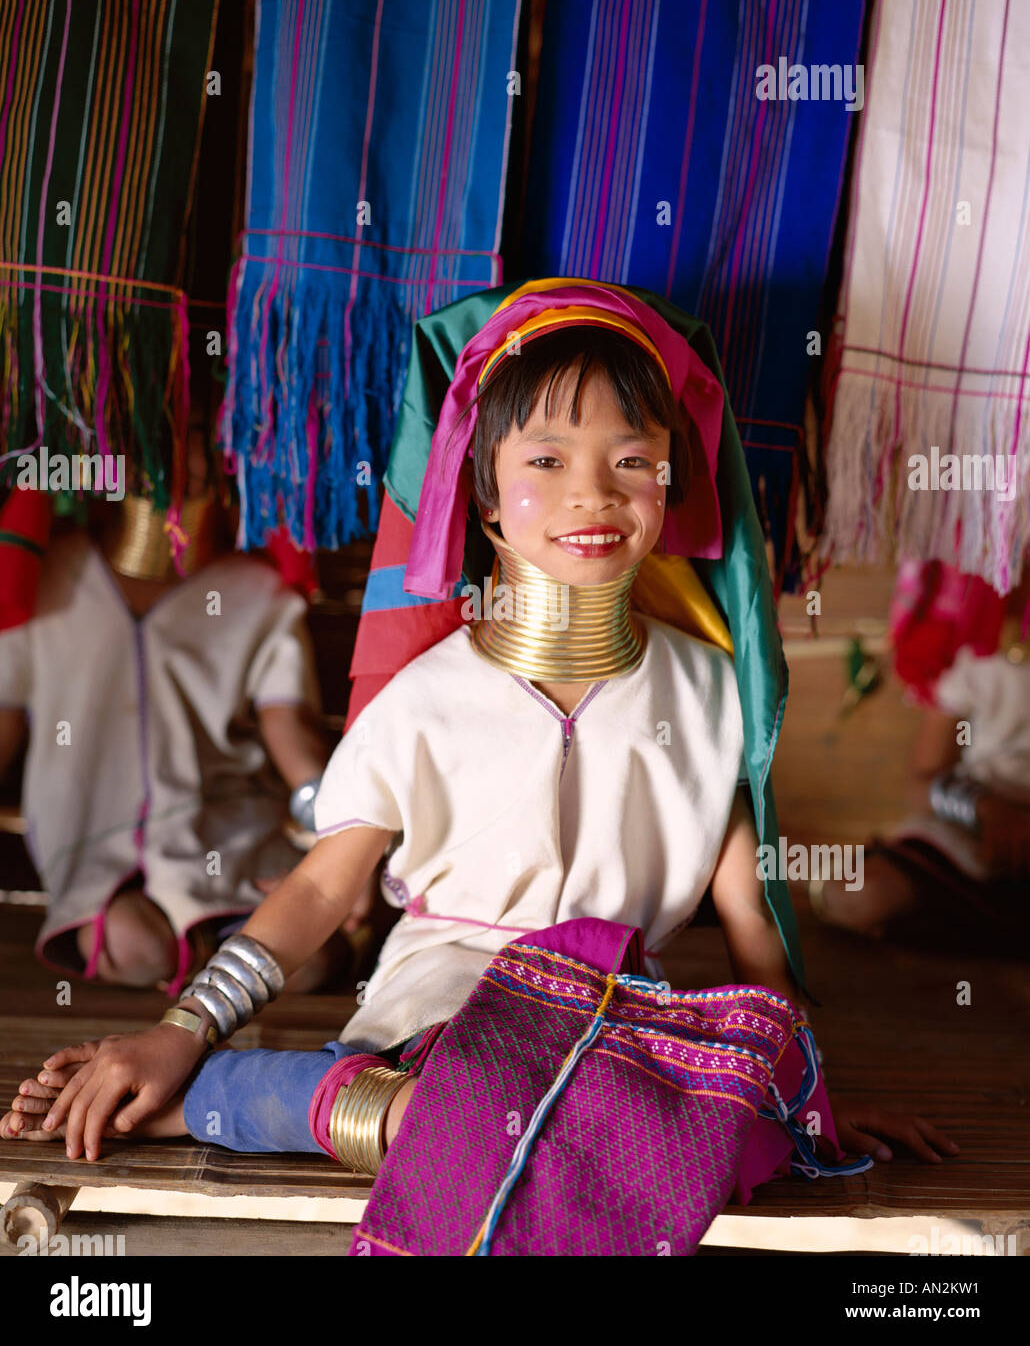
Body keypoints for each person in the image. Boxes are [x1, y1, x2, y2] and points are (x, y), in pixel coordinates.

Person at [1, 283, 958, 1182]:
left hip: (617, 1029)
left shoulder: (712, 693)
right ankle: (227, 1088)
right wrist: (182, 1028)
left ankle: (268, 1106)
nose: (594, 492)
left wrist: (805, 1101)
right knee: (490, 1116)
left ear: (673, 483)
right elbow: (322, 886)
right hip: (444, 1014)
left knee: (718, 1143)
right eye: (546, 460)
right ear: (486, 499)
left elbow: (751, 928)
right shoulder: (427, 698)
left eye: (632, 459)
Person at [0, 419, 368, 995]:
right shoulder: (45, 576)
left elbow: (291, 731)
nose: (180, 466)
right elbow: (5, 722)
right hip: (97, 863)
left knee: (313, 958)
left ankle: (212, 953)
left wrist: (342, 846)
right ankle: (207, 963)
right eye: (158, 434)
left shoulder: (258, 594)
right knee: (134, 945)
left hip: (231, 845)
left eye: (199, 449)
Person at [810, 559, 1030, 947]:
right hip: (975, 832)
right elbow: (920, 783)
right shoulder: (974, 653)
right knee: (857, 893)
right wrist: (987, 810)